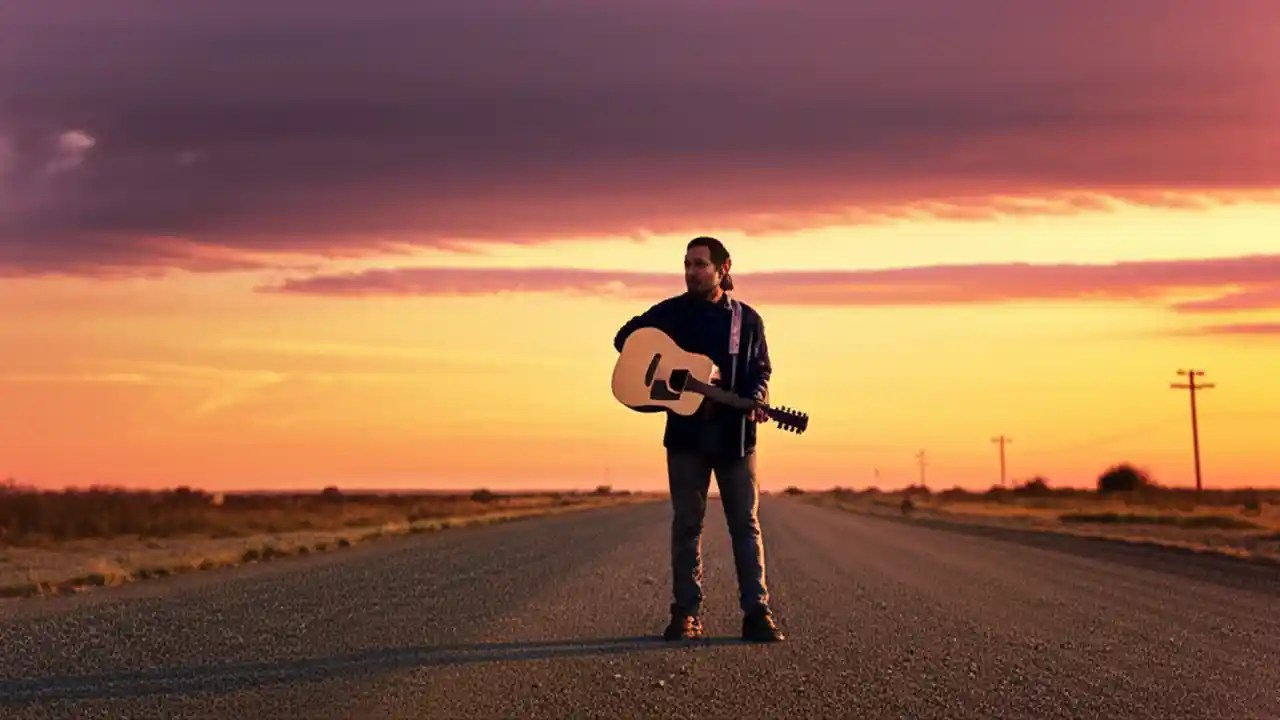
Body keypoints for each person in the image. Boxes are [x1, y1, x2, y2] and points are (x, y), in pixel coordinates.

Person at [613, 236, 785, 643]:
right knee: (687, 525)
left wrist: (757, 399)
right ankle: (685, 614)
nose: (691, 272)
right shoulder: (672, 312)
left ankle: (756, 614)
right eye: (687, 264)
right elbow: (625, 340)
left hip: (735, 437)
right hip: (686, 436)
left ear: (724, 269)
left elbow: (761, 370)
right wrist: (667, 366)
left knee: (744, 525)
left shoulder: (748, 320)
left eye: (700, 264)